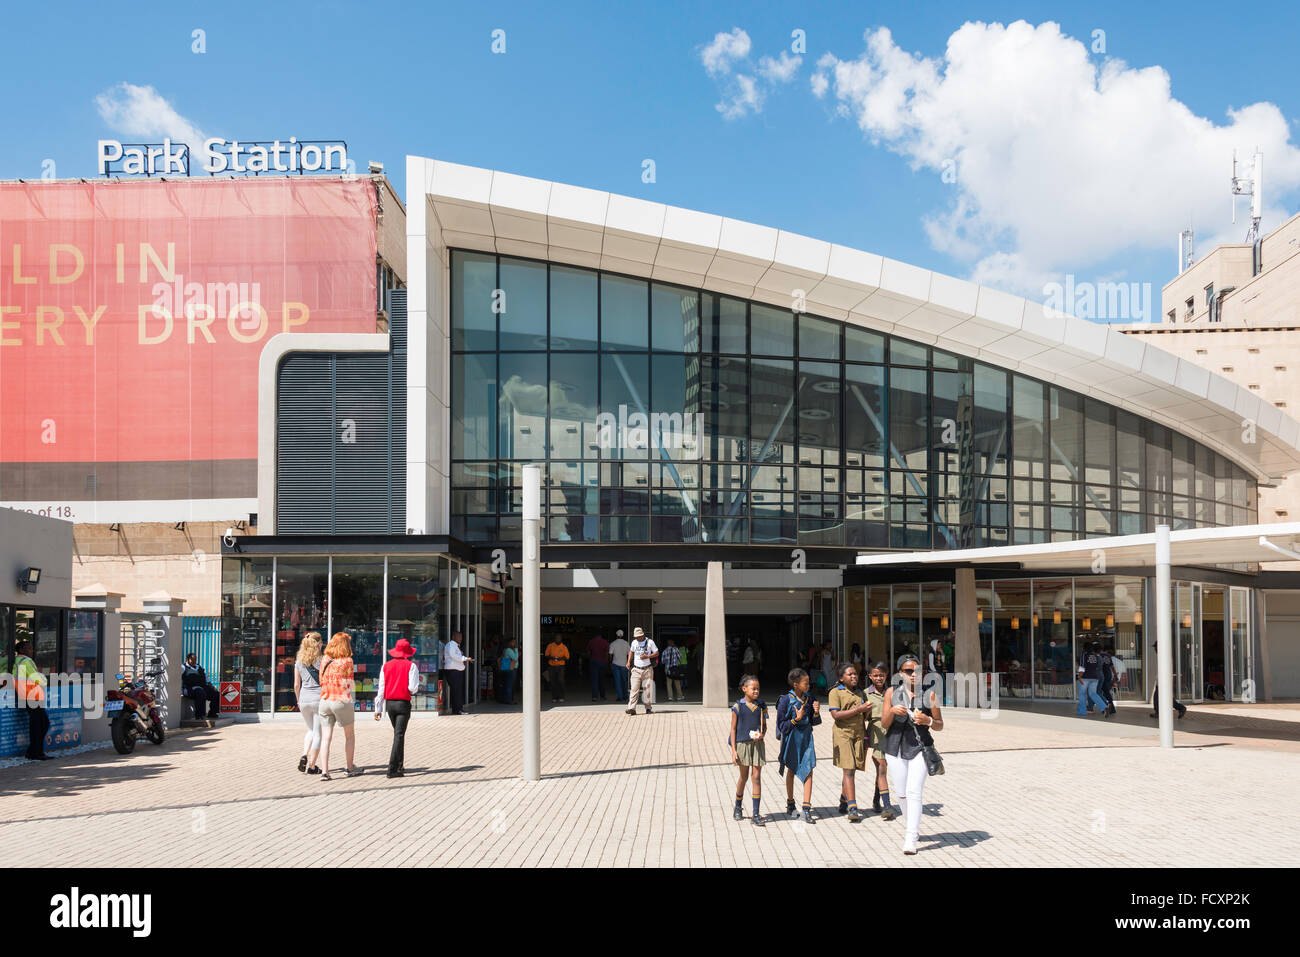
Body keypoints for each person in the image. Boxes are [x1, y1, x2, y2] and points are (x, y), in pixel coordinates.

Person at [881, 654, 944, 855]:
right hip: (895, 746)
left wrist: (929, 721)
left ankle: (910, 837)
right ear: (900, 673)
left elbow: (940, 725)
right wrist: (892, 711)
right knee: (901, 792)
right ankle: (912, 827)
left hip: (919, 746)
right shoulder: (891, 692)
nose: (913, 675)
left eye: (917, 671)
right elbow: (883, 723)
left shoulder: (930, 695)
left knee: (914, 791)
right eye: (908, 671)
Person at [317, 632, 363, 780]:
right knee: (349, 736)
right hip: (341, 700)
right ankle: (350, 768)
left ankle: (325, 771)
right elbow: (349, 683)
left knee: (326, 737)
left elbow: (321, 680)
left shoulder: (325, 659)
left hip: (324, 700)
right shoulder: (347, 661)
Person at [777, 667, 821, 822]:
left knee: (809, 769)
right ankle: (790, 802)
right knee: (792, 769)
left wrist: (815, 712)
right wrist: (796, 719)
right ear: (795, 684)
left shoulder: (810, 698)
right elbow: (781, 726)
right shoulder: (785, 700)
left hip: (806, 738)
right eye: (806, 683)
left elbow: (815, 722)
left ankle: (806, 808)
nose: (809, 685)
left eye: (809, 682)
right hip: (792, 739)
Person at [828, 663, 870, 822]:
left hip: (858, 734)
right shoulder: (835, 692)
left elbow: (864, 718)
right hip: (843, 734)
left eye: (855, 674)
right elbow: (836, 715)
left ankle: (844, 800)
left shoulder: (860, 693)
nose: (854, 676)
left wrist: (866, 737)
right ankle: (853, 807)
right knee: (849, 770)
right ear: (841, 678)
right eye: (849, 674)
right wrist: (858, 710)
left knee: (854, 768)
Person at [374, 637, 419, 778]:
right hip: (403, 703)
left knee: (398, 735)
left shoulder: (386, 666)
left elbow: (381, 689)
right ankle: (392, 768)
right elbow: (413, 688)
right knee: (399, 735)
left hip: (390, 705)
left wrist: (378, 709)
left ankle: (399, 766)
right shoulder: (411, 666)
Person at [728, 675, 767, 827]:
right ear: (744, 689)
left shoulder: (761, 706)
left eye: (758, 688)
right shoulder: (737, 707)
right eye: (753, 688)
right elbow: (732, 729)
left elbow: (764, 725)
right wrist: (734, 750)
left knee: (756, 777)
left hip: (757, 745)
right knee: (743, 777)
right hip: (742, 744)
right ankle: (738, 806)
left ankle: (756, 813)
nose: (756, 691)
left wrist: (762, 734)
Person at [7, 639, 49, 760]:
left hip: (26, 695)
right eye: (29, 648)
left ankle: (33, 751)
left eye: (31, 648)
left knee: (39, 724)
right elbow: (37, 678)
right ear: (21, 650)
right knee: (41, 724)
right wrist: (44, 680)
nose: (32, 650)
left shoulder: (18, 661)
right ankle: (35, 753)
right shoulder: (26, 661)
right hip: (32, 696)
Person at [864, 661, 895, 819]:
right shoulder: (865, 694)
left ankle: (877, 800)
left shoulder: (893, 692)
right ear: (870, 676)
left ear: (886, 675)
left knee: (881, 770)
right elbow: (861, 718)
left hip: (892, 735)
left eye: (881, 675)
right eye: (875, 675)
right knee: (882, 768)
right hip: (875, 735)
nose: (878, 678)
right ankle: (887, 805)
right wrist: (865, 738)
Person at [293, 632, 324, 775]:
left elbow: (296, 684)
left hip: (304, 699)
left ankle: (304, 754)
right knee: (318, 733)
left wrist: (298, 700)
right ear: (318, 644)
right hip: (318, 699)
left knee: (310, 730)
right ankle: (312, 766)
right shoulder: (321, 660)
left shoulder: (299, 662)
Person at [625, 626, 658, 715]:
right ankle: (631, 708)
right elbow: (631, 652)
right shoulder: (634, 642)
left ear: (642, 635)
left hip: (647, 669)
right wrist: (628, 662)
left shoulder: (650, 642)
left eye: (638, 636)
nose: (637, 638)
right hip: (636, 669)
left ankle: (648, 708)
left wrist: (647, 656)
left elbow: (656, 652)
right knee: (634, 689)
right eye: (636, 637)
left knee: (647, 690)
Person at [181, 652, 221, 722]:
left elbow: (206, 679)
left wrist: (213, 688)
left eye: (195, 659)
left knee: (216, 694)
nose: (194, 661)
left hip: (202, 687)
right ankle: (199, 715)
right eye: (192, 659)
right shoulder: (183, 667)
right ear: (188, 659)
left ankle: (212, 713)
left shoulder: (199, 667)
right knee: (200, 692)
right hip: (189, 688)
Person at [1076, 642, 1110, 718]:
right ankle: (1104, 707)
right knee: (1093, 694)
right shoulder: (1096, 656)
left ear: (1084, 648)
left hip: (1085, 677)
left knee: (1082, 694)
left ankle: (1082, 711)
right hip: (1095, 677)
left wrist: (1079, 677)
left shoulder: (1084, 655)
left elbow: (1082, 667)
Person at [443, 630, 473, 715]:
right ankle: (458, 710)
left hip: (457, 671)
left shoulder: (456, 646)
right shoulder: (451, 645)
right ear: (453, 637)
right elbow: (454, 656)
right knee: (456, 691)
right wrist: (465, 658)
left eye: (461, 637)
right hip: (453, 671)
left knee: (457, 690)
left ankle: (457, 709)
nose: (460, 639)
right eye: (458, 637)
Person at [544, 634, 570, 703]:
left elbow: (567, 657)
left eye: (559, 638)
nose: (558, 639)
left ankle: (561, 696)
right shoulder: (550, 646)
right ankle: (554, 697)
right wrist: (552, 658)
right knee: (553, 682)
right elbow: (546, 655)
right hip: (552, 666)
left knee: (561, 681)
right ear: (554, 639)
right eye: (556, 638)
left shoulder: (564, 647)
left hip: (561, 666)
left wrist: (560, 659)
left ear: (561, 639)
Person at [586, 632, 610, 701]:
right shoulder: (605, 642)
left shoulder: (591, 641)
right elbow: (606, 653)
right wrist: (607, 662)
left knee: (594, 680)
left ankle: (594, 697)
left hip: (593, 662)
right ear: (601, 635)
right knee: (602, 679)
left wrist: (590, 658)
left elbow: (588, 652)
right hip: (602, 662)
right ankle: (602, 696)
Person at [662, 637, 686, 701]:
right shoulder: (676, 649)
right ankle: (679, 696)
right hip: (675, 668)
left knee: (669, 684)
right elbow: (680, 657)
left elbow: (662, 661)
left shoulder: (664, 651)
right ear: (672, 643)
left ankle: (670, 697)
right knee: (677, 683)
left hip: (667, 669)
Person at [609, 629, 630, 703]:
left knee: (617, 681)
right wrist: (629, 662)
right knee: (624, 680)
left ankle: (620, 697)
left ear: (616, 635)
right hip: (624, 664)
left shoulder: (613, 643)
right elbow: (629, 654)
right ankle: (625, 696)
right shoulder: (626, 643)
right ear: (622, 635)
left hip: (615, 664)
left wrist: (610, 662)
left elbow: (610, 654)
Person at [498, 637, 519, 705]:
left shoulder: (508, 650)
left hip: (509, 669)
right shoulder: (509, 650)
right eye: (513, 642)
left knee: (509, 684)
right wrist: (516, 649)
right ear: (509, 643)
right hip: (510, 669)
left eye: (515, 642)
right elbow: (515, 658)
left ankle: (508, 699)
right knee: (509, 685)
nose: (515, 643)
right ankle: (508, 700)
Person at [1097, 643, 1117, 716]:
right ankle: (1109, 707)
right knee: (1104, 692)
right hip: (1108, 675)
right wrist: (1115, 675)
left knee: (1099, 692)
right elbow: (1112, 667)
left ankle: (1108, 707)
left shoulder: (1099, 655)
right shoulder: (1108, 656)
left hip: (1102, 676)